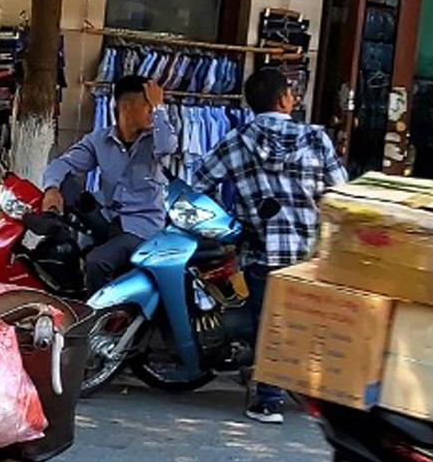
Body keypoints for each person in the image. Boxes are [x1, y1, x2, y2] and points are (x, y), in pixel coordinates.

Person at [190, 67, 346, 423]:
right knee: (307, 322)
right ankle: (312, 394)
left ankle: (269, 400)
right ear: (283, 99)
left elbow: (198, 182)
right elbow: (340, 191)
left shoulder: (237, 140)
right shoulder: (316, 138)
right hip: (311, 254)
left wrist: (231, 217)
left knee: (269, 321)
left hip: (263, 252)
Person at [38, 73, 178, 291]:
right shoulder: (99, 140)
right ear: (126, 108)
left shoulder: (156, 140)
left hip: (142, 228)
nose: (152, 111)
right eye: (147, 105)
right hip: (109, 220)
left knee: (97, 261)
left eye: (153, 106)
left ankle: (100, 319)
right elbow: (62, 164)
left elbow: (168, 145)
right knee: (69, 251)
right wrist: (52, 189)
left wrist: (159, 106)